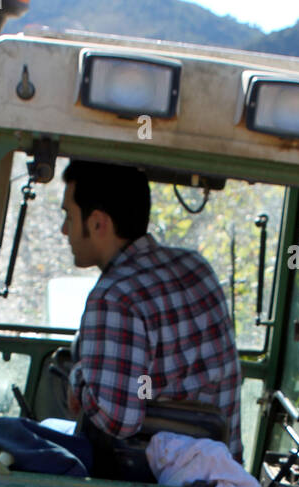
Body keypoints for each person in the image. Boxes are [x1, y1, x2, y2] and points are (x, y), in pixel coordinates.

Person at [60, 160, 244, 470]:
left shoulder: (114, 298)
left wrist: (78, 377)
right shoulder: (196, 267)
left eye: (68, 216)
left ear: (97, 223)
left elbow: (117, 420)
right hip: (225, 481)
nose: (64, 230)